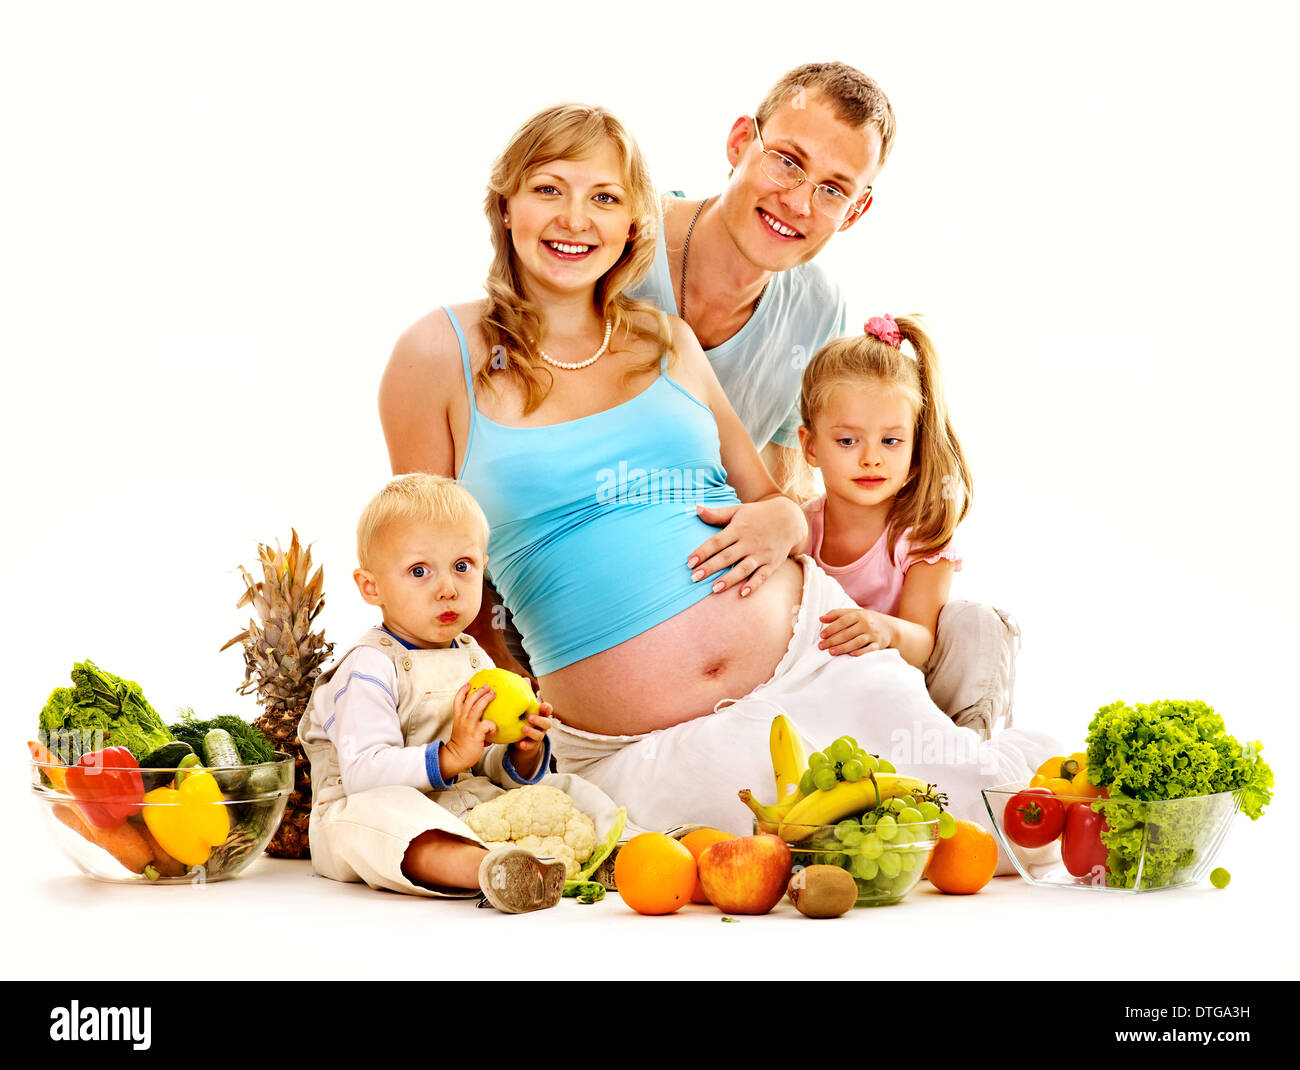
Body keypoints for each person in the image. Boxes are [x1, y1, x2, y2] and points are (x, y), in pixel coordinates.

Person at [378, 103, 1059, 855]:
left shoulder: (665, 340)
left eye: (604, 197)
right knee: (795, 851)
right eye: (549, 189)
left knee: (1004, 829)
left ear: (634, 222)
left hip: (813, 656)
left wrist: (785, 521)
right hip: (637, 738)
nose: (576, 218)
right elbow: (423, 566)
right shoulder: (437, 355)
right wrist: (503, 701)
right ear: (504, 206)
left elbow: (780, 502)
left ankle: (999, 747)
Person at [298, 473, 568, 912]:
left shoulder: (474, 656)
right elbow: (365, 773)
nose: (447, 587)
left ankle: (623, 847)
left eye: (462, 566)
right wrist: (450, 756)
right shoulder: (368, 667)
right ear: (372, 587)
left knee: (568, 784)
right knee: (392, 823)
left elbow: (484, 761)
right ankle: (491, 869)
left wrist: (521, 751)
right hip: (367, 816)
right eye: (419, 571)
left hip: (463, 804)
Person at [630, 61, 891, 498]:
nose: (798, 203)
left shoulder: (819, 310)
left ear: (855, 211)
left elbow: (787, 479)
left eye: (833, 191)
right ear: (740, 142)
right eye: (788, 162)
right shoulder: (617, 238)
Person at [797, 314, 1019, 736]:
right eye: (848, 441)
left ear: (915, 449)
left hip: (911, 697)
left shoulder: (918, 536)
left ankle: (968, 748)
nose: (871, 458)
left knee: (975, 622)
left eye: (891, 441)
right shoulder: (802, 529)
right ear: (810, 446)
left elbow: (922, 643)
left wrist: (884, 629)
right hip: (829, 702)